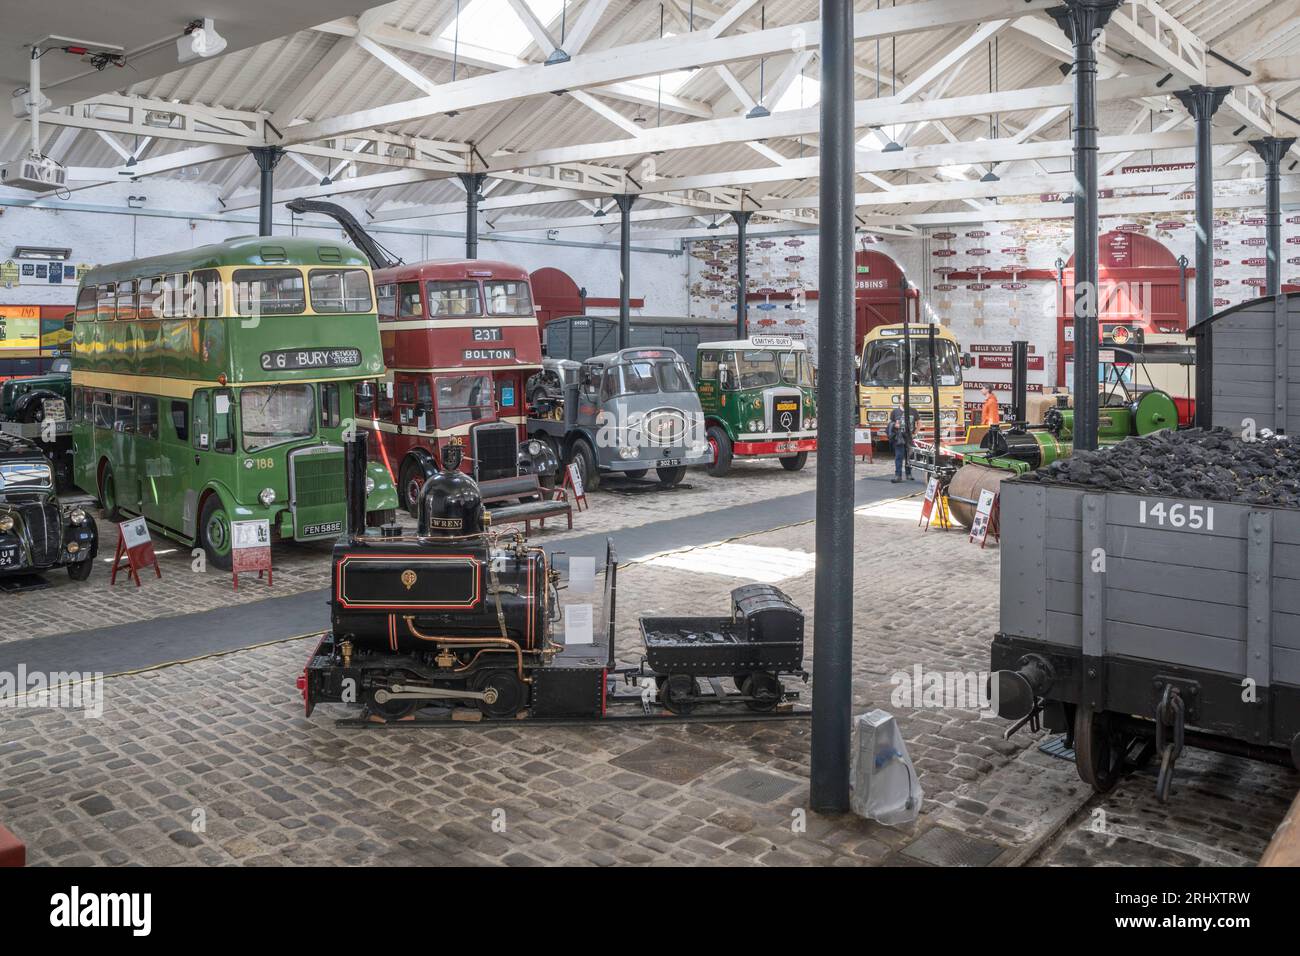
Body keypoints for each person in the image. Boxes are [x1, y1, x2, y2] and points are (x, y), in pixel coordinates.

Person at [886, 405, 916, 483]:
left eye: (905, 398)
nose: (904, 400)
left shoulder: (913, 410)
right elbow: (890, 423)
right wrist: (895, 425)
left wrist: (915, 433)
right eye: (902, 398)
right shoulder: (895, 411)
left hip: (909, 437)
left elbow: (919, 422)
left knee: (909, 456)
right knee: (899, 456)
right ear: (900, 400)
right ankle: (898, 476)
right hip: (899, 437)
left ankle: (908, 474)